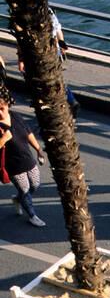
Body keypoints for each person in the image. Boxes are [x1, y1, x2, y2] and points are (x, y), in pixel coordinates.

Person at [0, 91, 46, 227]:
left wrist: (38, 150)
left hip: (28, 159)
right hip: (14, 166)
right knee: (25, 190)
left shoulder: (16, 117)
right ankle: (32, 215)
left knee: (35, 184)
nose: (0, 113)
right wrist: (3, 139)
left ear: (7, 106)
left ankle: (18, 198)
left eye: (2, 109)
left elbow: (29, 134)